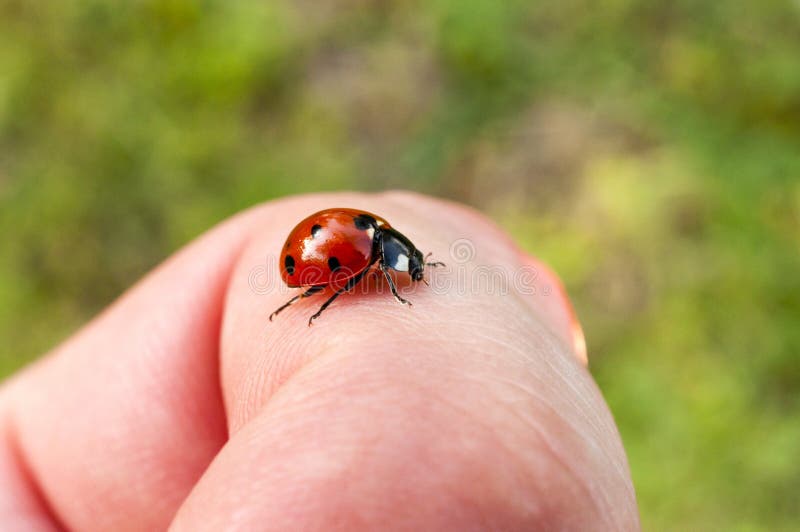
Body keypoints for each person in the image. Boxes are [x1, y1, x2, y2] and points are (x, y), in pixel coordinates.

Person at [0, 192, 639, 530]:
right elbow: (362, 268)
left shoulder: (376, 245)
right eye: (406, 269)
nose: (406, 276)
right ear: (394, 257)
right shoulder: (366, 253)